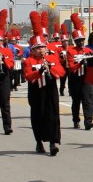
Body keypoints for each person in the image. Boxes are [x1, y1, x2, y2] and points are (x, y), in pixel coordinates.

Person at [23, 11, 66, 156]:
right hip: (36, 92)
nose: (40, 50)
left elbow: (61, 72)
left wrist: (51, 68)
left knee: (52, 116)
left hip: (50, 91)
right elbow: (28, 76)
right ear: (33, 50)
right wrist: (40, 71)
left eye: (42, 47)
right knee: (38, 116)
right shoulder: (29, 61)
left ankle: (53, 143)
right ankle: (39, 142)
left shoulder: (52, 58)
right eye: (37, 48)